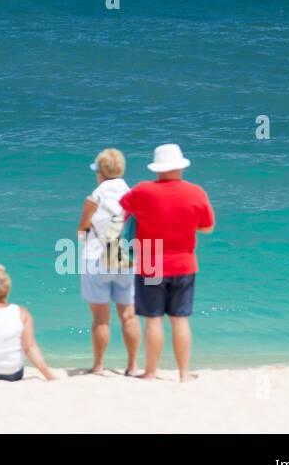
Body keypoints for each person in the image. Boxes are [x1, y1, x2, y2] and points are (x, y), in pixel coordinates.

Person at [120, 144, 215, 382]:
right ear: (180, 166)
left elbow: (122, 211)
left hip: (151, 260)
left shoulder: (143, 190)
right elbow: (207, 227)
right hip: (184, 262)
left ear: (157, 169)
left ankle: (151, 372)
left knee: (153, 320)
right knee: (180, 319)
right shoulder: (196, 192)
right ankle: (183, 373)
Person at [76, 149, 139, 375]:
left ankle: (99, 366)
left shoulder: (95, 196)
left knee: (101, 317)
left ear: (101, 172)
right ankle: (132, 366)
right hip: (125, 258)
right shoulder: (132, 194)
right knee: (128, 315)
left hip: (97, 259)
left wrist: (83, 235)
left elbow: (82, 228)